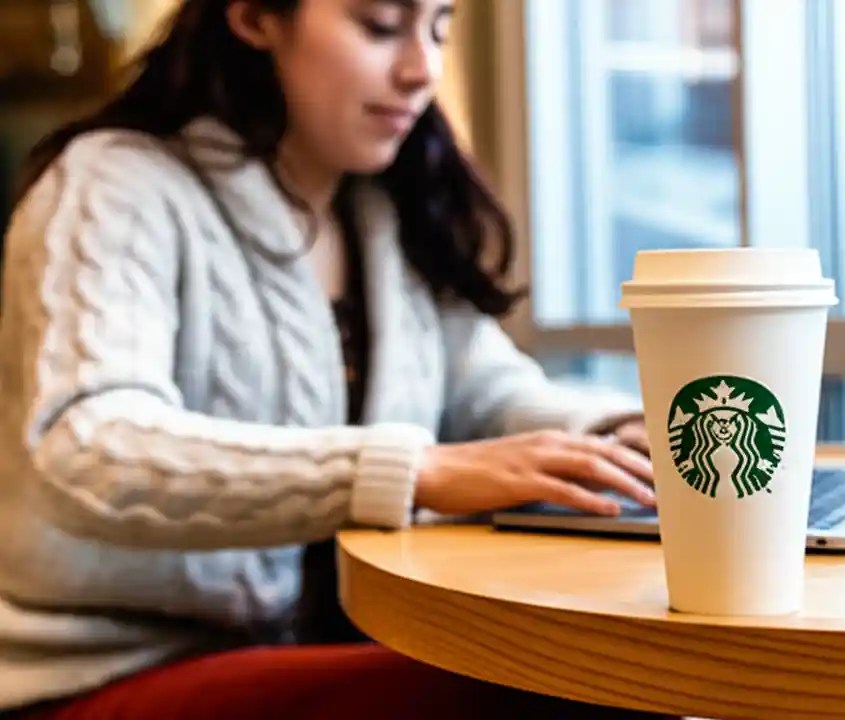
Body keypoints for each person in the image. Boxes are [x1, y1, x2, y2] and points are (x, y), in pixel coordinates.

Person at [0, 0, 668, 717]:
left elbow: (488, 390)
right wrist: (413, 472)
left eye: (439, 28)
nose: (422, 70)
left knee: (609, 670)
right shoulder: (112, 186)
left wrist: (622, 435)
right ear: (256, 17)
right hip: (109, 672)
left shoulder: (383, 206)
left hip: (315, 645)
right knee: (557, 683)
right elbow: (87, 444)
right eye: (381, 26)